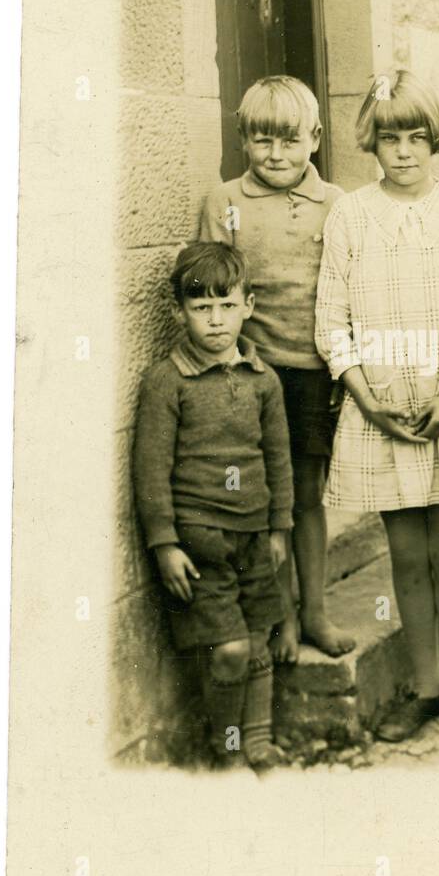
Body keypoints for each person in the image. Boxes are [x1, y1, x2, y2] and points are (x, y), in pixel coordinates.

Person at [315, 70, 439, 743]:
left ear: (434, 140)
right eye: (389, 138)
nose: (402, 152)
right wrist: (366, 401)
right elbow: (331, 321)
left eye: (415, 137)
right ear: (371, 141)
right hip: (382, 414)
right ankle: (424, 688)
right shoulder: (350, 215)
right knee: (405, 550)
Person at [199, 76, 354, 663]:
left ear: (314, 138)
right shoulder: (225, 202)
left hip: (313, 372)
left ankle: (314, 612)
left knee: (306, 496)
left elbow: (347, 288)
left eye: (289, 141)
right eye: (262, 141)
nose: (276, 155)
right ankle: (279, 619)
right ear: (243, 139)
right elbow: (216, 284)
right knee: (265, 503)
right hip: (251, 376)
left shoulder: (337, 204)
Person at [133, 242, 293, 769]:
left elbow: (278, 459)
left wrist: (278, 530)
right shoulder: (168, 381)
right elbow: (151, 469)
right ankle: (226, 753)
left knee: (258, 638)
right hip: (201, 540)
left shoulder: (263, 379)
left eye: (227, 305)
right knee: (228, 649)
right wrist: (165, 544)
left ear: (248, 304)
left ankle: (259, 741)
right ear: (179, 312)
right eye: (201, 308)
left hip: (254, 534)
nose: (216, 321)